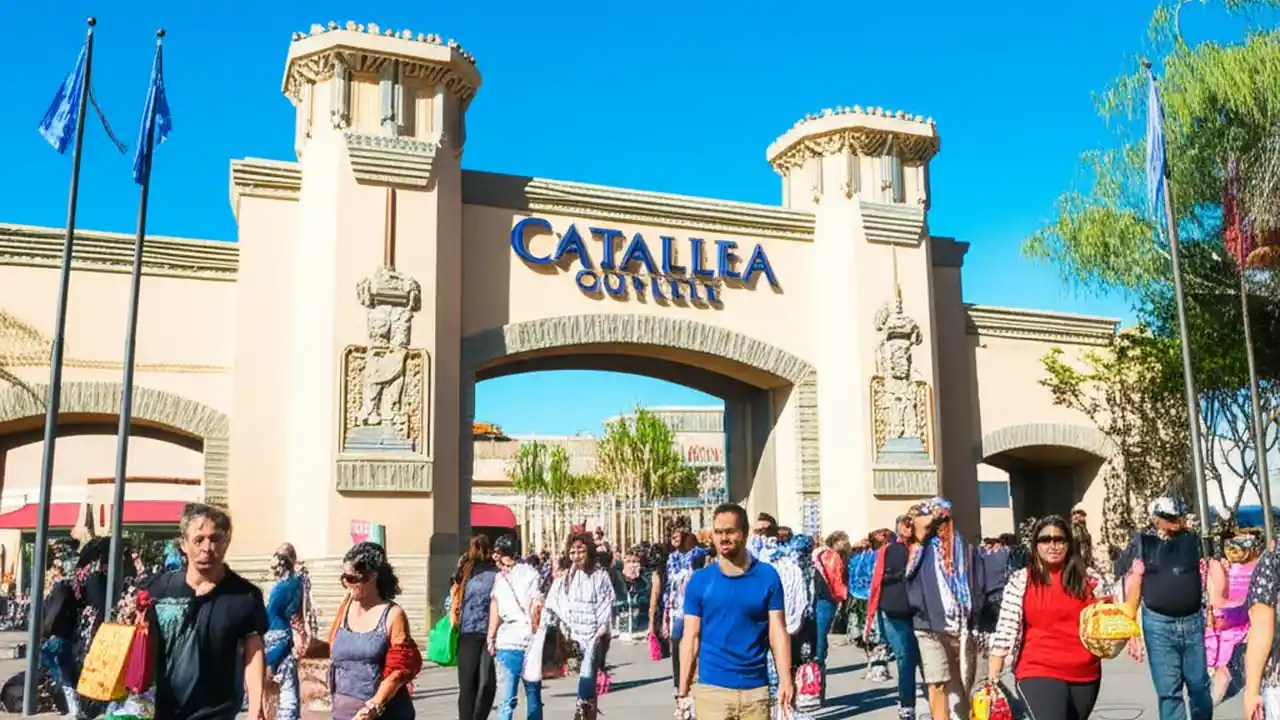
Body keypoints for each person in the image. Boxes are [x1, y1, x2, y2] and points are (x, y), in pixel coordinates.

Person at [143, 503, 268, 720]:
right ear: (183, 543)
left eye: (215, 539)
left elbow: (253, 653)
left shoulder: (245, 596)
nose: (207, 548)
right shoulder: (159, 590)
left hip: (219, 714)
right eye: (199, 540)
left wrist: (256, 708)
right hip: (167, 712)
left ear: (226, 541)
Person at [677, 503, 792, 720]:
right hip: (712, 691)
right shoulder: (700, 581)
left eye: (730, 531)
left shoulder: (767, 577)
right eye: (718, 532)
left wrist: (786, 679)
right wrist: (682, 689)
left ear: (745, 534)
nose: (723, 538)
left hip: (755, 692)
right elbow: (690, 637)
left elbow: (778, 631)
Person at [988, 515, 1108, 720]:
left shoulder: (1090, 579)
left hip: (1085, 673)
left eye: (1059, 539)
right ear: (1035, 545)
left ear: (1069, 544)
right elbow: (1005, 630)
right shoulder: (1021, 580)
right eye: (1045, 540)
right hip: (1038, 669)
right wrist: (993, 676)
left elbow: (1109, 619)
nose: (1053, 545)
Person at [1118, 497, 1213, 720]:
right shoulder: (1143, 542)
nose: (1176, 521)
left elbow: (1210, 571)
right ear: (1157, 519)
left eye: (1178, 516)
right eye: (1170, 517)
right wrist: (1130, 625)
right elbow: (1133, 580)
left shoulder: (1193, 540)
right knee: (1169, 692)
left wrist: (1213, 609)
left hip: (1193, 622)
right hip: (1158, 625)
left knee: (1199, 687)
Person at [906, 497, 986, 720]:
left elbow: (978, 584)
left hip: (963, 627)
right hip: (929, 626)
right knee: (937, 682)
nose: (939, 527)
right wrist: (919, 538)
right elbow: (905, 575)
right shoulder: (916, 549)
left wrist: (976, 617)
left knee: (964, 684)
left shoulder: (965, 550)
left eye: (942, 522)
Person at [328, 542, 419, 720]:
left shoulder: (393, 615)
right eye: (343, 578)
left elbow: (399, 670)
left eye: (352, 578)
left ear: (372, 577)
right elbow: (334, 651)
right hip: (343, 713)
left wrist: (374, 706)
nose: (347, 584)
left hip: (381, 713)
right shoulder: (346, 607)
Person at [545, 532, 616, 720]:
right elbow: (554, 602)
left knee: (588, 670)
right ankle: (587, 710)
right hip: (574, 634)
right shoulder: (566, 576)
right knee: (588, 676)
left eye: (581, 551)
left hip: (595, 633)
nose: (577, 556)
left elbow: (606, 603)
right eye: (573, 552)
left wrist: (602, 631)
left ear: (589, 551)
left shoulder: (600, 575)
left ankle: (582, 708)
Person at [867, 514, 920, 720]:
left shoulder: (923, 549)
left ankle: (923, 701)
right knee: (905, 658)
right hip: (895, 610)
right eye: (905, 525)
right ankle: (907, 705)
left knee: (917, 658)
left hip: (916, 611)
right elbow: (879, 579)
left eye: (911, 525)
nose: (908, 529)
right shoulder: (891, 551)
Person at [487, 534, 545, 720]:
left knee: (506, 698)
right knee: (533, 694)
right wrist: (537, 634)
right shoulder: (531, 573)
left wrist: (491, 637)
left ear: (501, 554)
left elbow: (495, 609)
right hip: (530, 640)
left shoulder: (500, 579)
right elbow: (537, 607)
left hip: (508, 641)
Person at [651, 524, 706, 711]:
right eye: (672, 535)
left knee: (691, 644)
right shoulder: (671, 558)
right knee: (676, 643)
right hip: (674, 608)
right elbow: (668, 586)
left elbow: (705, 550)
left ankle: (693, 682)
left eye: (678, 535)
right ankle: (678, 686)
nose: (675, 538)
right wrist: (663, 611)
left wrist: (695, 540)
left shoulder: (694, 554)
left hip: (691, 607)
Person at [1205, 530, 1259, 705]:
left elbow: (1217, 601)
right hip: (1236, 626)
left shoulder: (1257, 567)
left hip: (1240, 627)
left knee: (1225, 673)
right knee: (1224, 673)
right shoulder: (1225, 568)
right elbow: (1216, 601)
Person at [453, 535, 499, 720]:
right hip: (491, 631)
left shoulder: (465, 569)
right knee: (487, 682)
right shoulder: (497, 572)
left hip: (468, 631)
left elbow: (455, 592)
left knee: (467, 684)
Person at [263, 544, 305, 720]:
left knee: (275, 694)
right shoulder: (294, 583)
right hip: (280, 638)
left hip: (277, 638)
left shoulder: (286, 586)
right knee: (284, 693)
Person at [813, 530, 851, 673]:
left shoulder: (823, 555)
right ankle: (819, 665)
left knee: (819, 634)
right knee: (821, 635)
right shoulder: (831, 556)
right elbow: (838, 579)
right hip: (829, 598)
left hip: (824, 597)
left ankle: (818, 665)